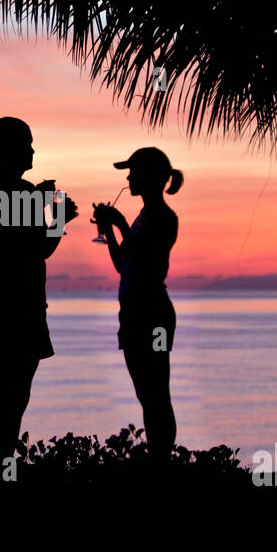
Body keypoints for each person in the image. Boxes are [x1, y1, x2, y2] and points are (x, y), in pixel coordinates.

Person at [0, 117, 77, 491]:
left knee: (11, 395)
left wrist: (48, 211)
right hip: (9, 309)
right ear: (7, 148)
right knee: (7, 396)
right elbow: (37, 249)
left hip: (14, 307)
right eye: (27, 144)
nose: (33, 150)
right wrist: (58, 218)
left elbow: (32, 246)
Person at [92, 148, 182, 460]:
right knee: (146, 394)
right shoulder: (143, 217)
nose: (128, 178)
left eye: (133, 172)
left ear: (150, 177)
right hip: (131, 314)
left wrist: (120, 224)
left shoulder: (165, 218)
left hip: (153, 315)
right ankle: (159, 459)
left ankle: (162, 462)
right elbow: (123, 264)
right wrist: (110, 233)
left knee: (158, 392)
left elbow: (145, 262)